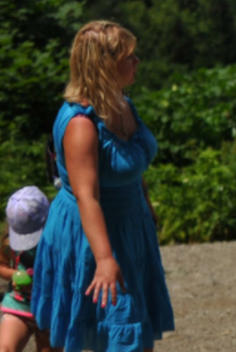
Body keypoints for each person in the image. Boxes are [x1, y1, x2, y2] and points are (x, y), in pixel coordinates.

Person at [32, 20, 174, 352]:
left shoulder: (123, 103)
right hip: (92, 233)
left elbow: (133, 163)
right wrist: (105, 258)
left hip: (130, 221)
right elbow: (87, 196)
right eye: (129, 57)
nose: (137, 62)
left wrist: (146, 202)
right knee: (114, 331)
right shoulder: (81, 125)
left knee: (129, 325)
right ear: (104, 66)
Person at [2, 187, 51, 352]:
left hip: (49, 310)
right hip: (18, 305)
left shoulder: (57, 242)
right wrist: (14, 275)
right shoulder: (9, 241)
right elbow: (1, 266)